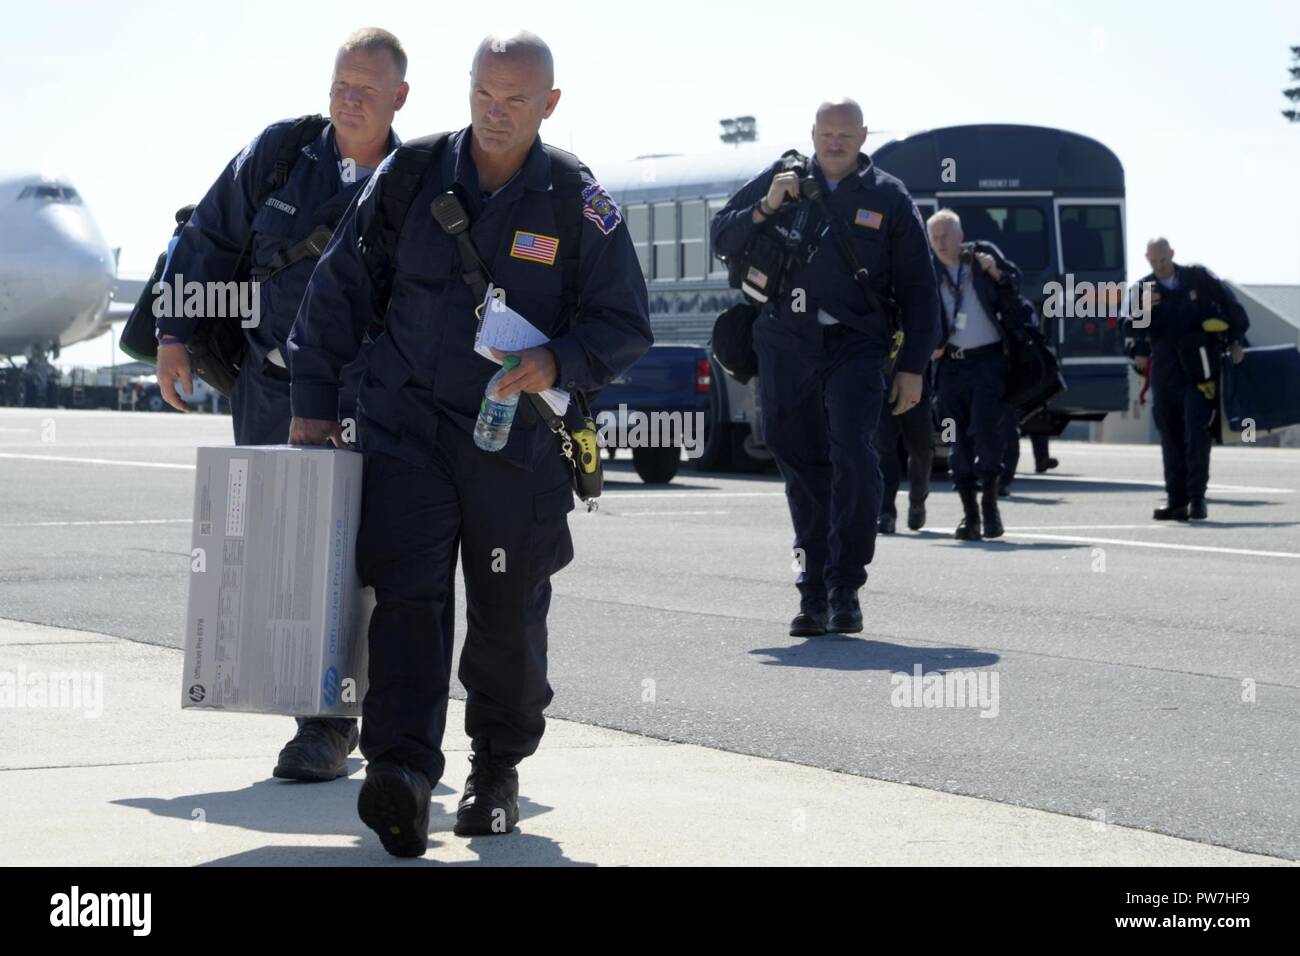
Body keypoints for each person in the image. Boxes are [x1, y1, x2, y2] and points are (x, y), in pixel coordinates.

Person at [287, 31, 652, 856]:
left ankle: (496, 772)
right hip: (407, 428)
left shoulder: (576, 200)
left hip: (514, 446)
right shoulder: (410, 175)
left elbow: (626, 322)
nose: (495, 111)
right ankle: (404, 775)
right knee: (407, 600)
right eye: (484, 92)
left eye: (515, 99)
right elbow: (339, 287)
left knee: (505, 612)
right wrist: (312, 404)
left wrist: (557, 359)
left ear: (549, 104)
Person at [152, 27, 408, 784]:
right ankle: (316, 710)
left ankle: (333, 726)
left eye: (365, 89)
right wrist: (173, 333)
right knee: (279, 558)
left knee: (362, 561)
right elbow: (205, 235)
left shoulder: (419, 179)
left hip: (367, 395)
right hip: (271, 387)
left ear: (400, 98)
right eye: (339, 85)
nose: (348, 101)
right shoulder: (280, 157)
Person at [711, 99, 940, 637]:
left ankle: (845, 586)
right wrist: (765, 208)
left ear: (863, 135)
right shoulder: (783, 178)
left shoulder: (888, 196)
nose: (834, 143)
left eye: (845, 134)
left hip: (856, 344)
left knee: (855, 455)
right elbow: (722, 236)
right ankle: (811, 590)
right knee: (799, 463)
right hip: (785, 342)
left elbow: (919, 289)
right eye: (826, 133)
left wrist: (911, 368)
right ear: (813, 133)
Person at [1125, 238, 1248, 520]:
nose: (1159, 266)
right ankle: (1176, 500)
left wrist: (1236, 342)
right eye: (1153, 262)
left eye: (1163, 260)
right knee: (1170, 438)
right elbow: (1131, 330)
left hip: (1199, 371)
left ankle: (1196, 499)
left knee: (1196, 434)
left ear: (1172, 254)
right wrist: (1139, 350)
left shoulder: (1198, 278)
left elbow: (1233, 309)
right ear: (1147, 259)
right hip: (1165, 373)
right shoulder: (1144, 289)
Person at [926, 209, 1026, 540]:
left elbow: (1015, 294)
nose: (940, 243)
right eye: (935, 237)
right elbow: (909, 312)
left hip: (988, 363)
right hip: (951, 367)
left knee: (985, 432)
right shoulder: (927, 271)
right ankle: (969, 516)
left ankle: (991, 507)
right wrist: (927, 345)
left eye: (945, 236)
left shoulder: (981, 258)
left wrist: (995, 273)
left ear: (959, 235)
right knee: (955, 438)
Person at [874, 365, 934, 533]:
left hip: (915, 382)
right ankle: (885, 512)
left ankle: (917, 500)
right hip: (880, 383)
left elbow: (935, 342)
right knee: (883, 449)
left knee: (922, 450)